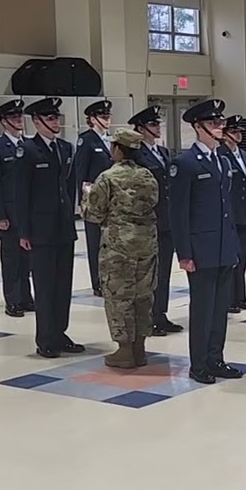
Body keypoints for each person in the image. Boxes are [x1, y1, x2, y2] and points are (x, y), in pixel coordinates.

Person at [170, 99, 244, 384]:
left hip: (224, 247)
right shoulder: (185, 163)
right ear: (198, 127)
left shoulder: (222, 161)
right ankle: (198, 364)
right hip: (200, 250)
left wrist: (234, 247)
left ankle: (216, 358)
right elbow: (178, 213)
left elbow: (227, 210)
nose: (219, 127)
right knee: (202, 310)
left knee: (220, 309)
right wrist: (184, 253)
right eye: (213, 123)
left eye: (220, 122)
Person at [83, 127, 159, 369]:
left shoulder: (107, 178)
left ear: (117, 149)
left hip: (118, 247)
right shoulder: (148, 176)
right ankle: (140, 348)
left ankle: (125, 350)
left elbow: (94, 215)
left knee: (119, 297)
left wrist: (87, 196)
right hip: (147, 244)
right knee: (143, 296)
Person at [14, 97, 84, 359]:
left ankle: (60, 333)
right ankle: (45, 339)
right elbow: (21, 193)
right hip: (40, 230)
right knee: (44, 286)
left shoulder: (65, 148)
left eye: (57, 118)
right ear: (37, 121)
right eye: (51, 118)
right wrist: (23, 232)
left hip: (63, 226)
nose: (56, 122)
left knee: (63, 285)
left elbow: (68, 187)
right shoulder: (28, 151)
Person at [129, 106, 183, 337]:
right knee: (148, 275)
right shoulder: (137, 154)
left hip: (167, 221)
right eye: (153, 125)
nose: (157, 128)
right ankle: (148, 318)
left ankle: (161, 314)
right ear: (141, 129)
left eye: (158, 124)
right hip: (148, 222)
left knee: (164, 272)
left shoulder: (162, 152)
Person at [0, 99, 34, 317]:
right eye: (13, 117)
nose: (19, 121)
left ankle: (26, 297)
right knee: (11, 256)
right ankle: (12, 299)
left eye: (20, 116)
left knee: (27, 257)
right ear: (4, 122)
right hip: (9, 212)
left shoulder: (29, 146)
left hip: (28, 211)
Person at [220, 115, 246, 314]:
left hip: (245, 215)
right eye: (234, 131)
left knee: (242, 257)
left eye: (240, 131)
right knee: (231, 257)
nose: (239, 135)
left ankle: (240, 296)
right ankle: (229, 298)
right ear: (225, 134)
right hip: (230, 215)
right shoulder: (220, 155)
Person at [75, 100, 114, 297]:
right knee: (95, 242)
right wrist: (84, 203)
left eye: (108, 116)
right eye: (103, 117)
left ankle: (110, 278)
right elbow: (81, 173)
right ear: (92, 119)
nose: (107, 120)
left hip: (112, 199)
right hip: (95, 199)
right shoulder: (87, 140)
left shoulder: (110, 140)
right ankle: (97, 282)